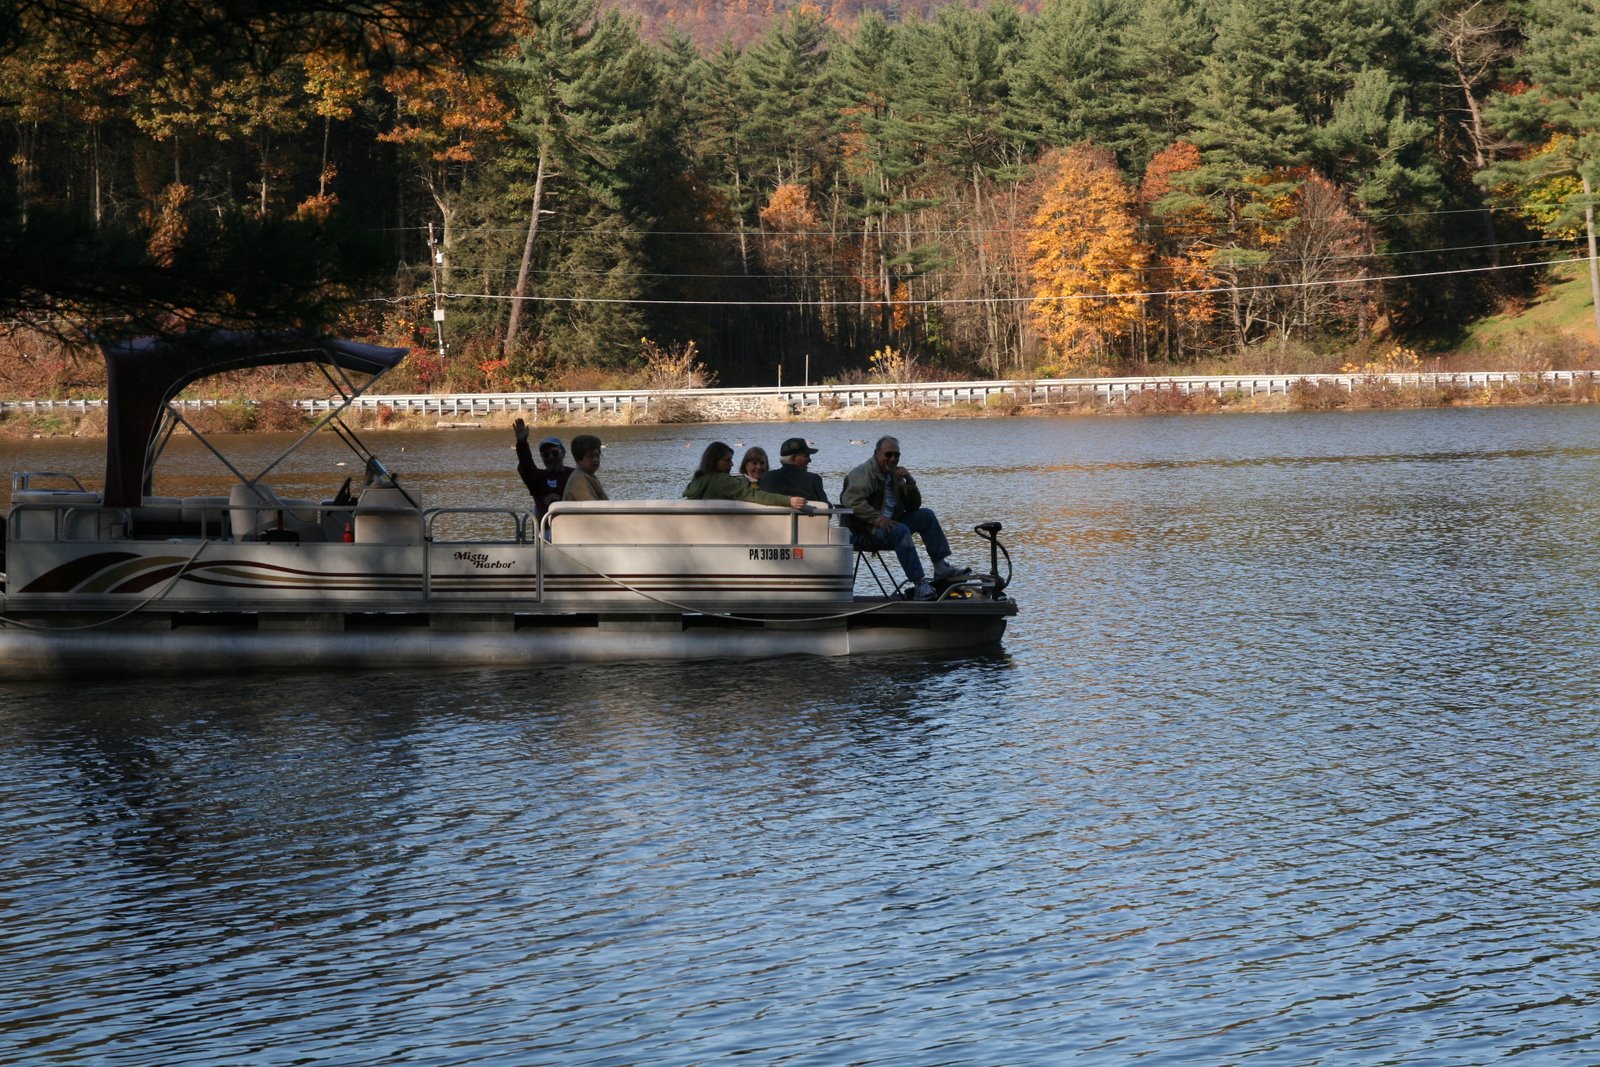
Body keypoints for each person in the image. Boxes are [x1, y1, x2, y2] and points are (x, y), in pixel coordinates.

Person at [840, 435, 969, 600]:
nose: (893, 459)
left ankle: (940, 569)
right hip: (865, 532)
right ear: (877, 454)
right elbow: (851, 501)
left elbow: (913, 506)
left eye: (897, 455)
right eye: (888, 454)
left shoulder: (893, 474)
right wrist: (878, 519)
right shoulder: (864, 473)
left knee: (926, 515)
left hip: (889, 525)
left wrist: (909, 481)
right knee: (900, 530)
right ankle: (919, 584)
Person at [683, 441, 807, 509]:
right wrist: (788, 500)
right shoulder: (722, 481)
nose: (731, 464)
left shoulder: (697, 479)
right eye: (727, 460)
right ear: (714, 460)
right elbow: (752, 495)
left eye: (762, 463)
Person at [513, 420, 572, 520]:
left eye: (555, 453)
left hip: (572, 527)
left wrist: (561, 500)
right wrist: (522, 443)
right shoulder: (537, 478)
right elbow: (526, 464)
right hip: (545, 531)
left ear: (564, 453)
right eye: (545, 455)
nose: (551, 457)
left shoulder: (574, 474)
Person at [759, 436, 829, 504]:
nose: (810, 460)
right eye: (806, 456)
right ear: (794, 458)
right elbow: (827, 509)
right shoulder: (813, 479)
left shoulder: (766, 478)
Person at [563, 434, 608, 501]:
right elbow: (593, 507)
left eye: (597, 455)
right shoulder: (579, 480)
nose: (595, 459)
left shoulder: (588, 475)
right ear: (579, 460)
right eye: (590, 456)